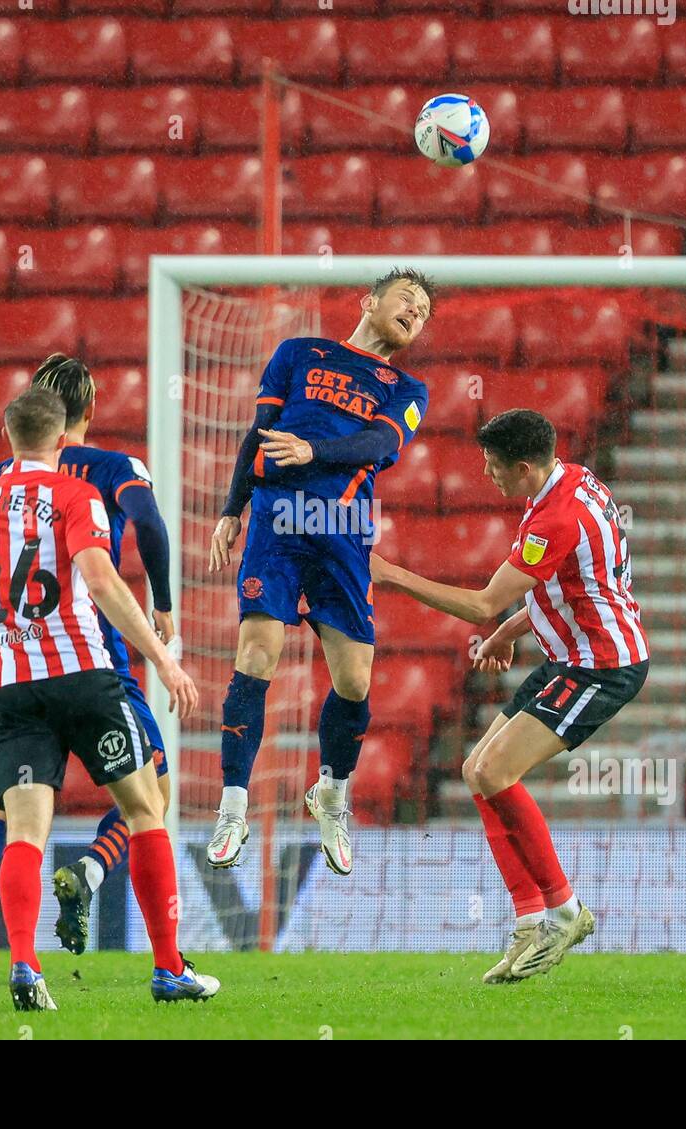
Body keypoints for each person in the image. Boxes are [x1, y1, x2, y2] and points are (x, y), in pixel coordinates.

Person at [0, 386, 214, 1009]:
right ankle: (169, 968)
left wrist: (5, 623)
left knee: (24, 834)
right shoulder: (75, 494)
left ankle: (27, 967)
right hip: (86, 679)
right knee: (145, 808)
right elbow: (104, 581)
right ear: (63, 440)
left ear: (7, 438)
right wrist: (163, 659)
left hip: (12, 690)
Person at [370, 408, 649, 983]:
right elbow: (573, 586)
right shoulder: (569, 481)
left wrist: (392, 576)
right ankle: (528, 919)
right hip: (570, 652)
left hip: (601, 665)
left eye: (494, 467)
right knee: (477, 770)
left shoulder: (555, 518)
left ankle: (565, 912)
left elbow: (480, 603)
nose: (487, 475)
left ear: (523, 467)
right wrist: (505, 635)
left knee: (495, 773)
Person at [206, 268, 434, 876]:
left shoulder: (408, 389)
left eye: (425, 311)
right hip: (276, 522)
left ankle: (330, 794)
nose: (416, 312)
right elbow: (258, 434)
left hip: (343, 536)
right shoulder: (298, 353)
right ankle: (232, 807)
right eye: (407, 299)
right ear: (369, 301)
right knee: (256, 656)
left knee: (356, 683)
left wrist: (314, 451)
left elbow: (374, 449)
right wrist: (233, 508)